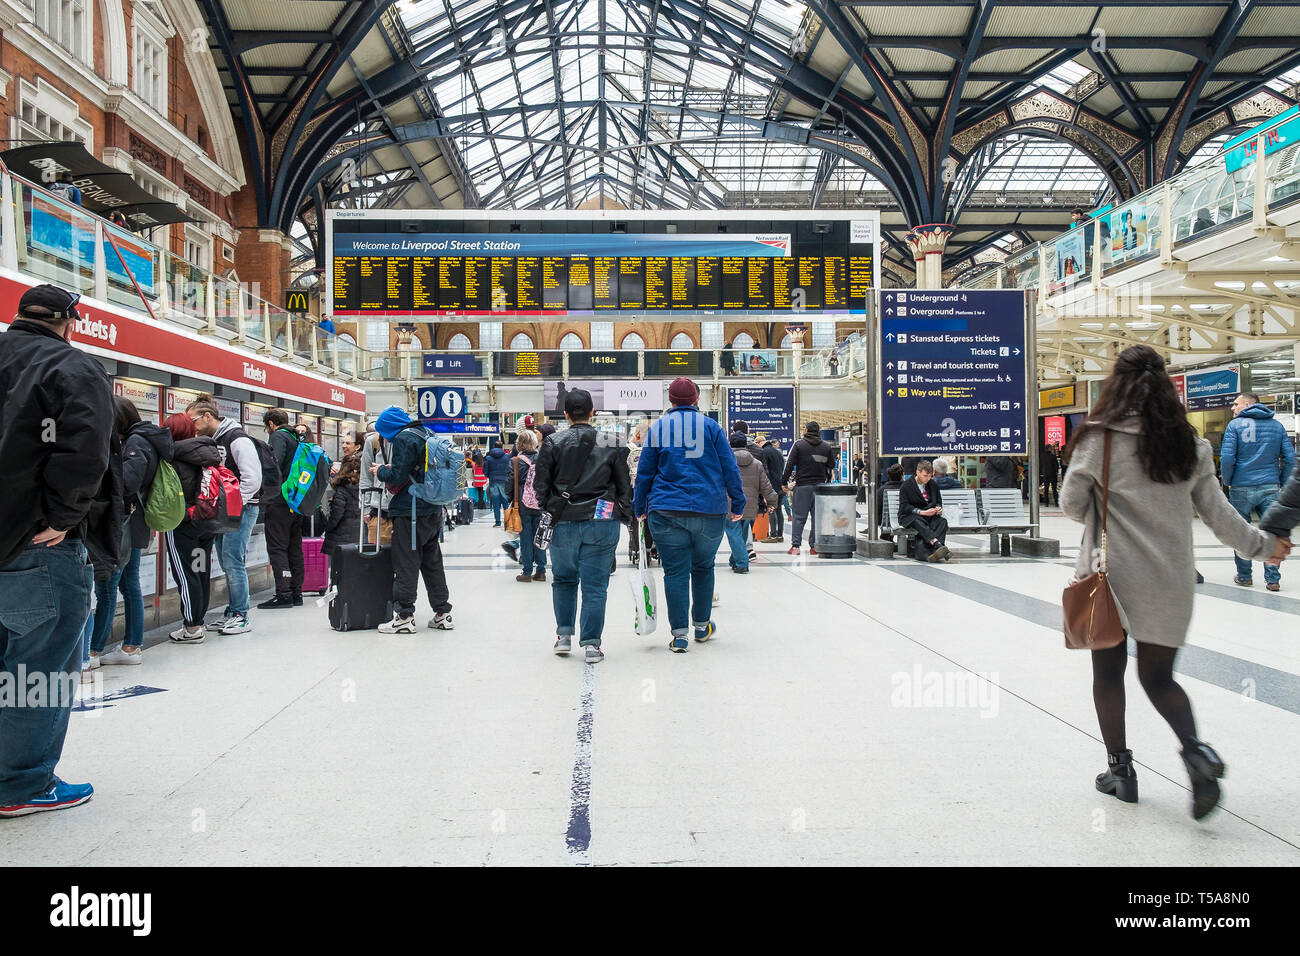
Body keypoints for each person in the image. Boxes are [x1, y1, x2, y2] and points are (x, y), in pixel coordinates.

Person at [1062, 346, 1289, 820]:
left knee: (1108, 675)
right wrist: (1264, 548)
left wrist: (1106, 509)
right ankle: (1196, 754)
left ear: (1115, 386)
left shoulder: (1098, 441)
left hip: (1110, 577)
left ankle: (1120, 772)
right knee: (1159, 677)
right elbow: (1219, 516)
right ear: (1166, 388)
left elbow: (1069, 504)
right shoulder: (1190, 445)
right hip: (1169, 581)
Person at [0, 284, 113, 818]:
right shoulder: (72, 368)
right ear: (70, 321)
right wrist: (64, 518)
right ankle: (22, 783)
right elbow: (84, 449)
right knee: (36, 668)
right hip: (36, 545)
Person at [635, 377, 744, 651]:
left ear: (670, 401)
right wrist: (738, 503)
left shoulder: (658, 428)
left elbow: (644, 473)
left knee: (675, 572)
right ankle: (701, 626)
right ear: (697, 399)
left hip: (666, 510)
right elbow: (730, 468)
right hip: (709, 510)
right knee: (704, 568)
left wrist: (639, 508)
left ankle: (680, 635)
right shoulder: (712, 428)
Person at [534, 388, 631, 662]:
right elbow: (624, 487)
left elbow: (540, 486)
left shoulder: (552, 443)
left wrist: (550, 509)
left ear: (565, 414)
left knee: (563, 580)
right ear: (592, 412)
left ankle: (564, 636)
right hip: (602, 520)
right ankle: (591, 645)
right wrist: (626, 516)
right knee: (595, 585)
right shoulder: (612, 442)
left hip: (563, 520)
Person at [90, 398, 172, 666]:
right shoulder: (146, 438)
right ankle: (131, 647)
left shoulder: (136, 443)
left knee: (107, 587)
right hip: (134, 524)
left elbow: (127, 482)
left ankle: (93, 651)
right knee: (128, 584)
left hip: (122, 524)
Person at [371, 406, 454, 634]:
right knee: (432, 563)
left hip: (411, 512)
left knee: (406, 563)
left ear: (388, 427)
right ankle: (442, 613)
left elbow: (397, 476)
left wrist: (380, 471)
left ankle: (404, 616)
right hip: (432, 508)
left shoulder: (404, 439)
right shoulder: (426, 433)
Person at [188, 393, 262, 634]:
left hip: (241, 509)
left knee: (232, 560)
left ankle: (241, 614)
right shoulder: (216, 439)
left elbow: (253, 478)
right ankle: (233, 611)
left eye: (194, 422)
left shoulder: (237, 438)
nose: (193, 428)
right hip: (226, 511)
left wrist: (234, 504)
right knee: (225, 559)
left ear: (207, 416)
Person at [1219, 391, 1295, 591]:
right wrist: (1281, 481)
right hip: (1270, 485)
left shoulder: (1234, 426)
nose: (1233, 408)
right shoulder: (1277, 426)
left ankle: (1245, 576)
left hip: (1241, 487)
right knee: (1272, 531)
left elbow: (1227, 458)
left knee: (1240, 532)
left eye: (1236, 404)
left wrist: (1228, 481)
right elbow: (1289, 457)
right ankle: (1273, 579)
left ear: (1247, 404)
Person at [161, 413, 222, 644]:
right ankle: (198, 619)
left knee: (185, 574)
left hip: (182, 523)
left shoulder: (173, 456)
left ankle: (192, 627)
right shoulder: (207, 452)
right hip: (206, 523)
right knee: (200, 571)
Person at [259, 409, 305, 608]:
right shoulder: (296, 437)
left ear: (270, 424)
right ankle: (296, 592)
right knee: (294, 546)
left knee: (277, 547)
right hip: (295, 501)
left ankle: (283, 593)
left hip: (280, 500)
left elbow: (273, 466)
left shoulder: (278, 436)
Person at [782, 420, 838, 555]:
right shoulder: (826, 447)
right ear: (818, 431)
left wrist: (784, 482)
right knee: (817, 517)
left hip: (803, 486)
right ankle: (814, 547)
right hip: (820, 487)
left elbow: (789, 465)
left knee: (799, 517)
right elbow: (831, 464)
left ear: (806, 430)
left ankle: (796, 547)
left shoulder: (799, 445)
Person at [724, 433, 774, 574]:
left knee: (734, 533)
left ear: (730, 444)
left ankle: (741, 563)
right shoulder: (756, 464)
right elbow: (766, 486)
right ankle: (734, 560)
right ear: (745, 445)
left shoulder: (726, 462)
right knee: (743, 533)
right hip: (751, 503)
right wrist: (772, 501)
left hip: (731, 503)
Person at [507, 429, 546, 583]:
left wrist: (512, 499)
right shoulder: (542, 459)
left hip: (522, 506)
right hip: (541, 504)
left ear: (519, 444)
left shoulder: (515, 461)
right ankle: (541, 571)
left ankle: (527, 572)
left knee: (525, 539)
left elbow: (509, 485)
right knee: (540, 538)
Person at [898, 461, 950, 562]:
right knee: (919, 521)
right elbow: (904, 507)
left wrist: (938, 508)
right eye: (925, 475)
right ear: (918, 472)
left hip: (929, 515)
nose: (928, 478)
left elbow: (938, 501)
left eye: (930, 476)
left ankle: (929, 552)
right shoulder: (906, 486)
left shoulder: (932, 484)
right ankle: (937, 544)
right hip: (910, 516)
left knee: (942, 522)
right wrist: (921, 512)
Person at [322, 439, 361, 559]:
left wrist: (327, 528)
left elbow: (336, 516)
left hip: (341, 538)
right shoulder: (363, 487)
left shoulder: (343, 489)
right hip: (359, 536)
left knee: (340, 571)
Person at [361, 427, 394, 544]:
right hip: (379, 512)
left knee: (404, 557)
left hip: (405, 512)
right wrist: (365, 508)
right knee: (377, 558)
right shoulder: (373, 441)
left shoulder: (407, 440)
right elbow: (366, 477)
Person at [759, 437, 787, 542]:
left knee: (771, 509)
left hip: (771, 485)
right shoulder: (778, 452)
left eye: (757, 443)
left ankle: (773, 535)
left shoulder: (764, 452)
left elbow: (765, 470)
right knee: (778, 509)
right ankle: (780, 535)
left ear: (761, 442)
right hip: (780, 484)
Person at [483, 440, 513, 528]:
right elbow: (510, 469)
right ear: (502, 447)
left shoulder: (488, 458)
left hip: (493, 482)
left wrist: (490, 476)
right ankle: (507, 523)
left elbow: (485, 471)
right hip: (504, 481)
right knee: (505, 503)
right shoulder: (507, 457)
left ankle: (497, 522)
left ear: (494, 446)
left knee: (496, 503)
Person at [877, 463, 905, 539]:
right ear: (902, 476)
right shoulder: (907, 488)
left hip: (885, 521)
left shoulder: (882, 490)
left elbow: (878, 508)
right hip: (904, 521)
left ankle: (886, 538)